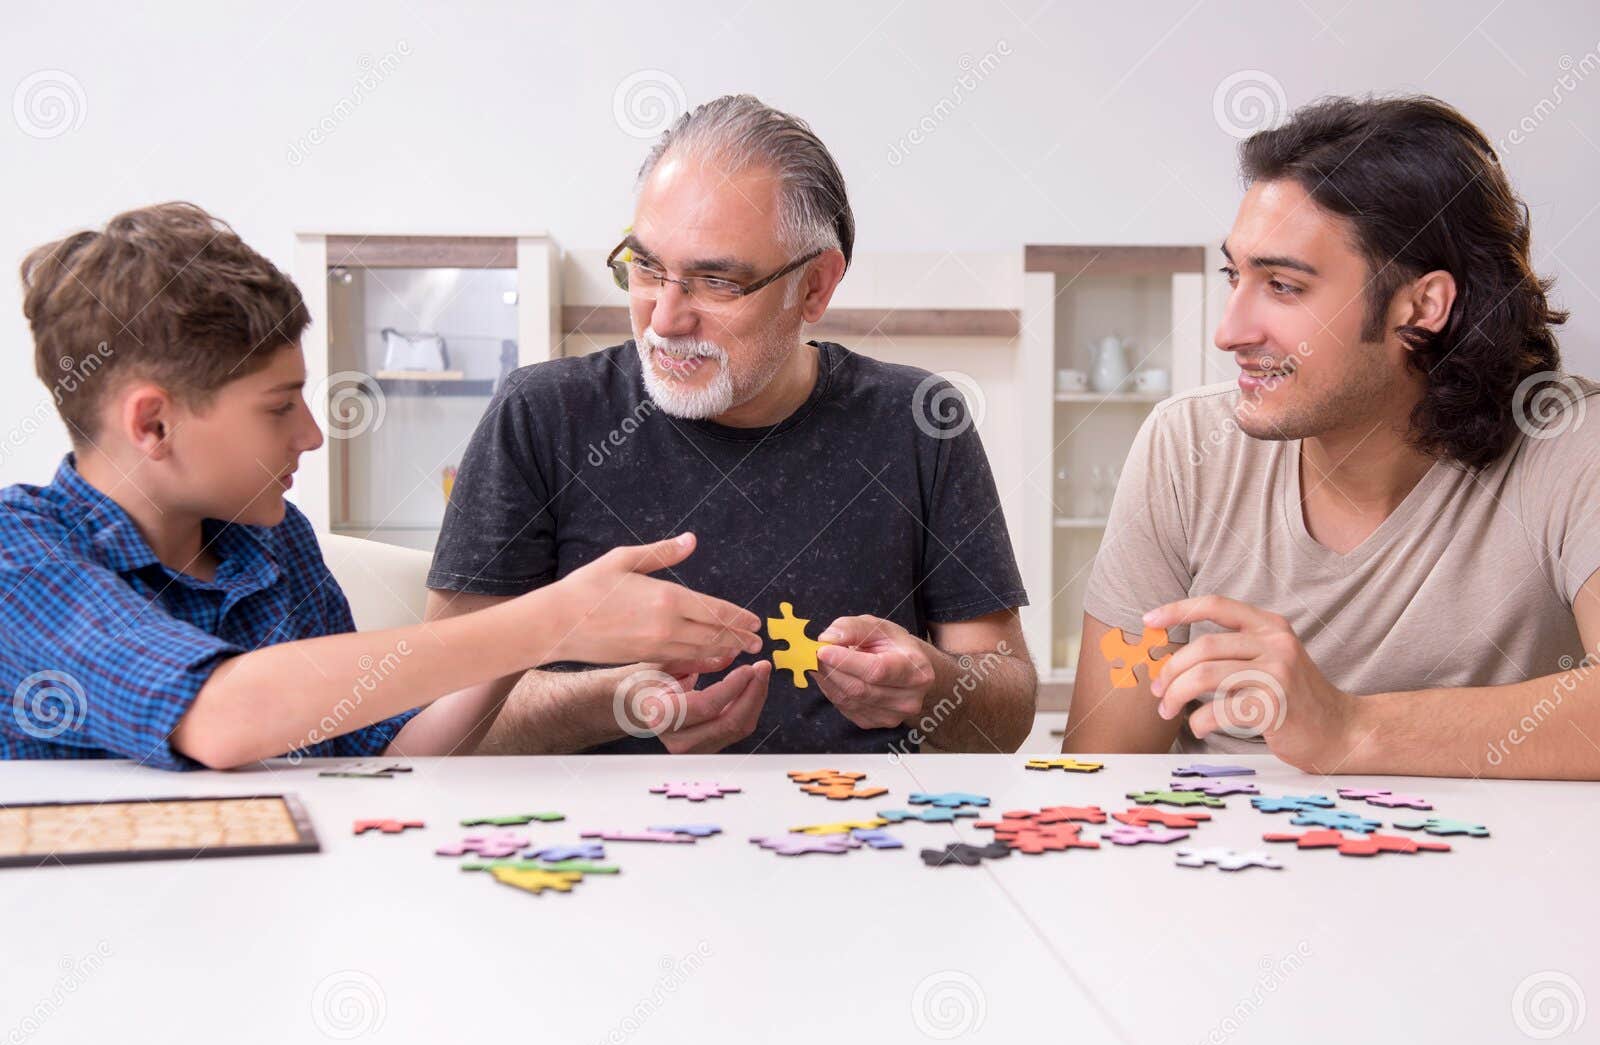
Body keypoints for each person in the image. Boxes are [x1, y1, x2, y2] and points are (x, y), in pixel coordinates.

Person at [0, 203, 760, 769]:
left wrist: (530, 641)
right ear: (153, 425)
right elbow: (221, 715)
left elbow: (397, 754)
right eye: (277, 407)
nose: (310, 432)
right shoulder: (19, 560)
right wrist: (552, 621)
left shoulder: (273, 541)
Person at [426, 95, 1035, 756]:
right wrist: (617, 703)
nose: (664, 318)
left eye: (715, 281)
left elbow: (1007, 709)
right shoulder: (541, 416)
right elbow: (434, 712)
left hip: (858, 837)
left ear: (815, 288)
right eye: (647, 267)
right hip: (600, 850)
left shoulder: (920, 423)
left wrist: (934, 684)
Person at [1065, 95, 1598, 781]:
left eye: (1283, 286)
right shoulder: (1183, 450)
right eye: (1236, 275)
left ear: (1422, 305)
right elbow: (1100, 769)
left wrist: (1349, 729)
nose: (1229, 331)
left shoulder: (1569, 445)